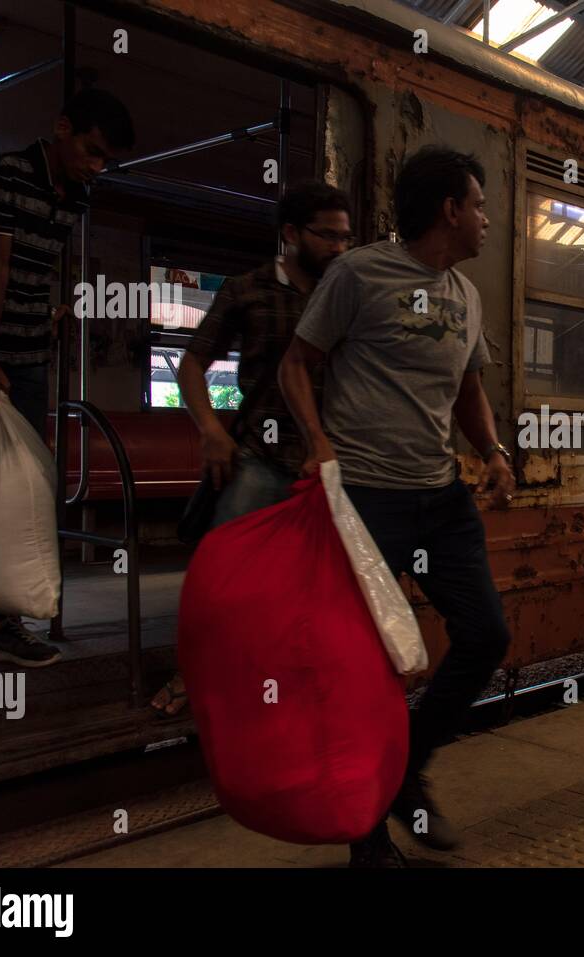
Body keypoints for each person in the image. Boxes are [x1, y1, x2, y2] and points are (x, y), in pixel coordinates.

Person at [278, 146, 516, 867]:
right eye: (478, 205)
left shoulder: (465, 296)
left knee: (484, 636)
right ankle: (369, 841)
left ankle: (404, 768)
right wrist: (318, 440)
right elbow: (298, 363)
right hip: (370, 498)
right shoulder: (359, 273)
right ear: (449, 209)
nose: (485, 220)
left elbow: (470, 387)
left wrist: (496, 451)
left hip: (439, 496)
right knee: (370, 666)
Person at [149, 182, 353, 718]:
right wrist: (211, 432)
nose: (339, 248)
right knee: (222, 581)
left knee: (315, 590)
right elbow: (194, 362)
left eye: (345, 238)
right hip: (261, 458)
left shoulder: (349, 292)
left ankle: (282, 692)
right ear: (290, 234)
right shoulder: (247, 289)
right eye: (327, 236)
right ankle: (191, 677)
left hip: (329, 465)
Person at [0, 88, 135, 669]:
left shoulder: (79, 198)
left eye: (105, 161)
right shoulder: (6, 175)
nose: (96, 167)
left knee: (21, 487)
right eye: (91, 151)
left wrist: (51, 311)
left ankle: (3, 625)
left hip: (32, 348)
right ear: (62, 127)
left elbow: (40, 269)